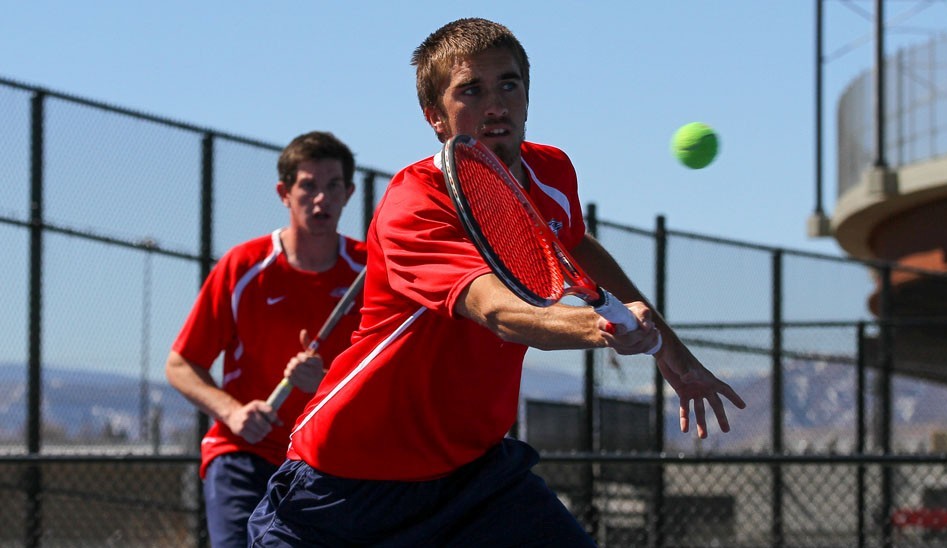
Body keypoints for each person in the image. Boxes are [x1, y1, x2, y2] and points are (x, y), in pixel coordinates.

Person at [247, 18, 745, 547]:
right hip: (345, 488)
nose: (495, 106)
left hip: (475, 477)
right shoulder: (414, 203)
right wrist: (600, 327)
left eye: (509, 84)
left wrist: (673, 353)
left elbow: (574, 243)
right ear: (435, 117)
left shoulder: (551, 172)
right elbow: (497, 310)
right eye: (471, 91)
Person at [165, 131, 366, 548]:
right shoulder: (244, 267)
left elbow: (389, 373)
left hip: (330, 461)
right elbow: (181, 364)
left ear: (348, 193)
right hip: (244, 454)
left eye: (333, 186)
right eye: (308, 185)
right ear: (284, 193)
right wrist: (233, 412)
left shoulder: (369, 272)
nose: (321, 199)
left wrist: (325, 383)